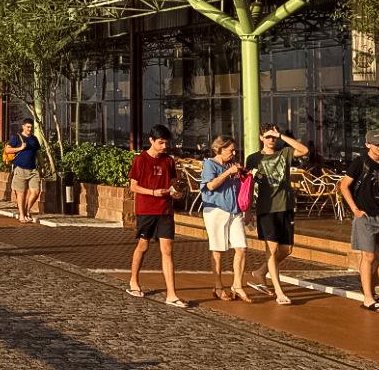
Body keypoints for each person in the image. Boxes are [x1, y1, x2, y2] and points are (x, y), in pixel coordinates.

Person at [245, 122, 310, 304]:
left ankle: (260, 272)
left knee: (286, 250)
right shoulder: (253, 159)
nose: (271, 140)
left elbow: (304, 150)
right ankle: (279, 292)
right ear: (261, 138)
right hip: (266, 208)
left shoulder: (284, 153)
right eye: (267, 136)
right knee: (272, 250)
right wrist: (248, 209)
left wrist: (281, 136)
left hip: (286, 206)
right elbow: (248, 185)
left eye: (273, 136)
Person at [339, 132, 379, 312]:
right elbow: (343, 185)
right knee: (369, 257)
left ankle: (368, 288)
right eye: (376, 144)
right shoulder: (360, 162)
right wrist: (355, 210)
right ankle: (368, 298)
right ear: (368, 145)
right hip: (365, 217)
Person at [127, 124, 187, 307]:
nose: (163, 147)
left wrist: (177, 192)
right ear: (151, 141)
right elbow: (133, 186)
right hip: (146, 209)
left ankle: (171, 294)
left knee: (167, 249)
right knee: (143, 246)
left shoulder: (168, 160)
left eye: (166, 143)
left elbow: (173, 183)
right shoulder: (140, 160)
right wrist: (153, 192)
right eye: (160, 143)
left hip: (165, 210)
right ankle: (133, 280)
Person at [199, 136, 250, 303]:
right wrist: (228, 172)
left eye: (234, 150)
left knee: (241, 247)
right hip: (216, 210)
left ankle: (237, 285)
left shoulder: (232, 164)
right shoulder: (210, 164)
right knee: (218, 250)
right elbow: (210, 186)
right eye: (230, 150)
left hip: (234, 210)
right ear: (219, 150)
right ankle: (218, 285)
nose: (234, 153)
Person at [8, 120, 42, 222]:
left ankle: (27, 210)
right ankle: (22, 215)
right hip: (20, 169)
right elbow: (7, 150)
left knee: (36, 192)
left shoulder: (34, 139)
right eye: (28, 127)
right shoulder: (16, 138)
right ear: (23, 126)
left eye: (31, 127)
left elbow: (38, 153)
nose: (29, 129)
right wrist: (20, 148)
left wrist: (43, 165)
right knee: (21, 193)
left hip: (33, 170)